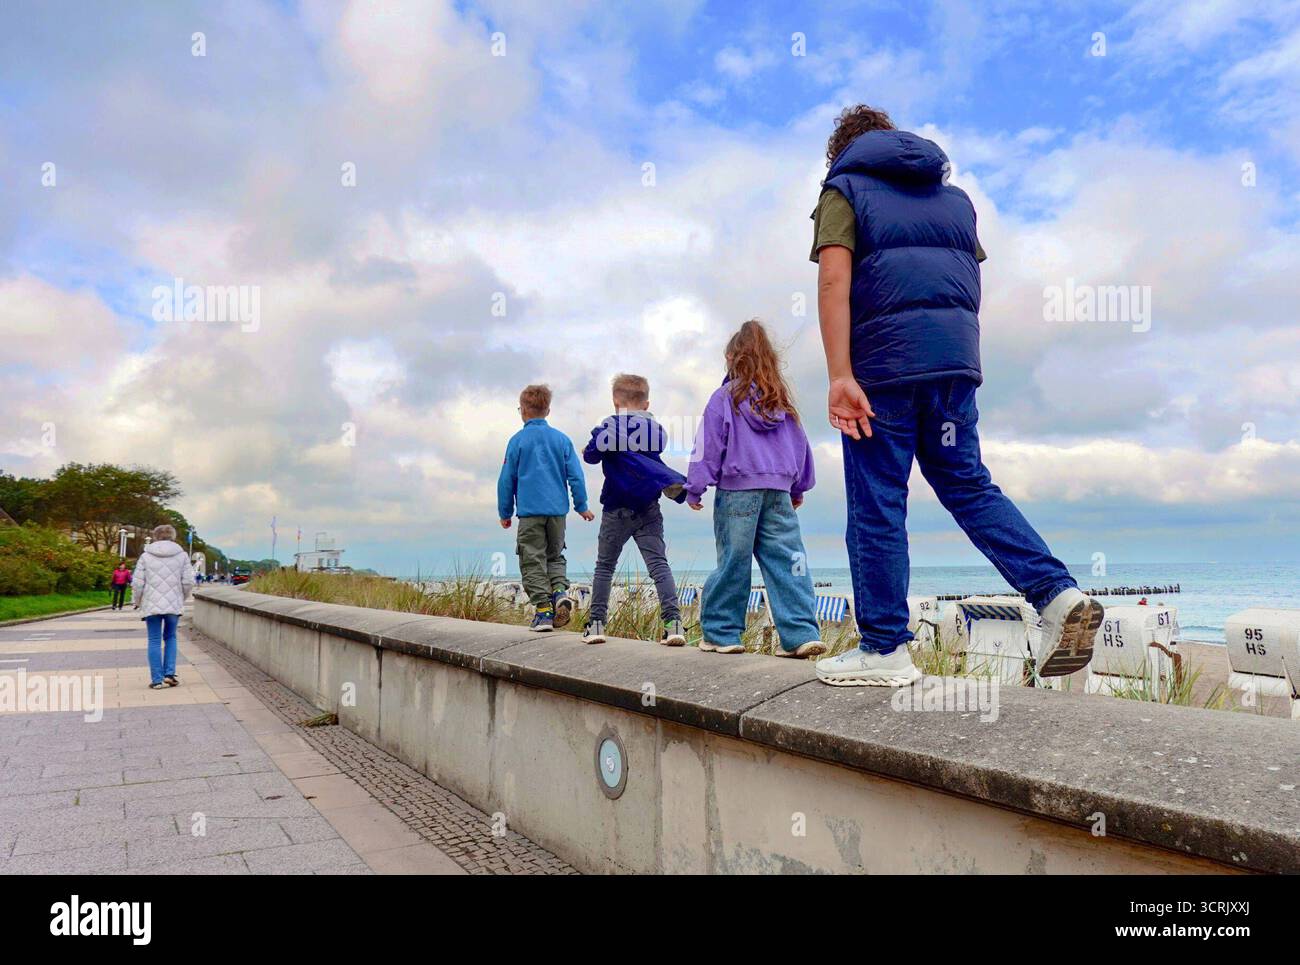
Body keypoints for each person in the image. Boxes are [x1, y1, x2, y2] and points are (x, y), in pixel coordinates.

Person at [811, 104, 1103, 687]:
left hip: (882, 370)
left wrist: (840, 373)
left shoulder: (843, 189)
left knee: (877, 502)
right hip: (952, 367)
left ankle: (884, 647)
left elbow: (833, 280)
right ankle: (1055, 594)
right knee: (968, 485)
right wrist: (955, 359)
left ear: (844, 149)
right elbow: (967, 282)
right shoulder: (957, 202)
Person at [686, 320, 825, 658]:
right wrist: (798, 486)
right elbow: (800, 446)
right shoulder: (781, 404)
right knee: (789, 559)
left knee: (734, 559)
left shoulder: (724, 399)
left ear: (733, 357)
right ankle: (800, 634)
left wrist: (695, 485)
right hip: (778, 493)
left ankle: (722, 633)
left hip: (738, 491)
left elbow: (709, 443)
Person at [581, 373, 688, 646]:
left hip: (615, 507)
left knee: (605, 567)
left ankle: (596, 625)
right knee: (658, 565)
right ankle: (673, 624)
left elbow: (591, 457)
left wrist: (598, 439)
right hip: (648, 507)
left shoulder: (609, 427)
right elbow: (660, 446)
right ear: (646, 403)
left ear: (615, 401)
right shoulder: (656, 431)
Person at [497, 384, 593, 632]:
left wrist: (505, 512)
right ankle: (559, 591)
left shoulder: (517, 441)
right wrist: (581, 506)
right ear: (547, 410)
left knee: (532, 560)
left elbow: (507, 479)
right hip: (557, 512)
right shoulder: (561, 440)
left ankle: (543, 611)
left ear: (523, 412)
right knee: (555, 555)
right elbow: (576, 476)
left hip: (530, 513)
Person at [130, 524, 195, 689]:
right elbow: (188, 581)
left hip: (151, 604)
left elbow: (137, 584)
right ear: (173, 536)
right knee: (171, 637)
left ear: (156, 536)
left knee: (153, 640)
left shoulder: (146, 556)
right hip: (173, 603)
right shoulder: (182, 556)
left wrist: (137, 602)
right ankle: (169, 674)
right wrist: (182, 596)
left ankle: (157, 679)